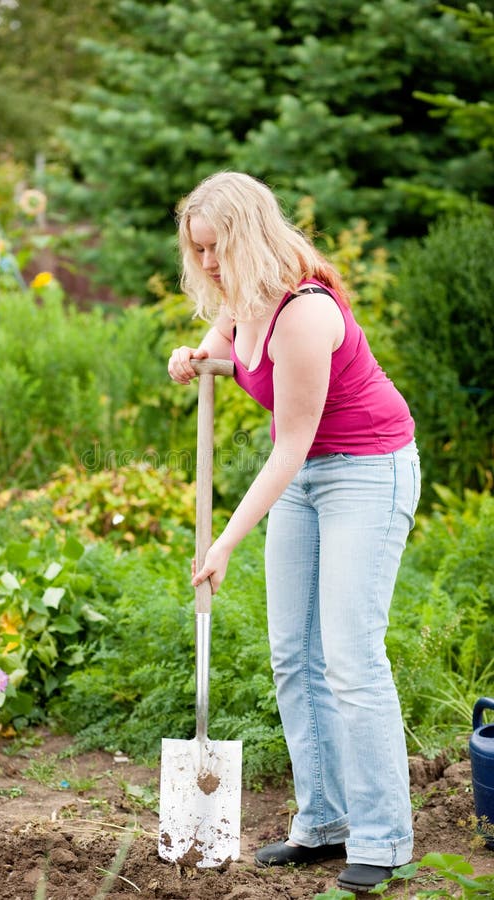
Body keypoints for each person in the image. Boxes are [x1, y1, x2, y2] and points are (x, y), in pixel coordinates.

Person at [167, 171, 421, 893]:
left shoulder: (305, 312)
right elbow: (220, 342)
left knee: (349, 655)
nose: (209, 263)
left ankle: (383, 838)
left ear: (247, 236)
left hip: (366, 471)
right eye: (199, 251)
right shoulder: (241, 300)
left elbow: (291, 444)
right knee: (293, 654)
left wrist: (223, 543)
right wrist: (191, 357)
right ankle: (324, 823)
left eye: (217, 248)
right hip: (308, 477)